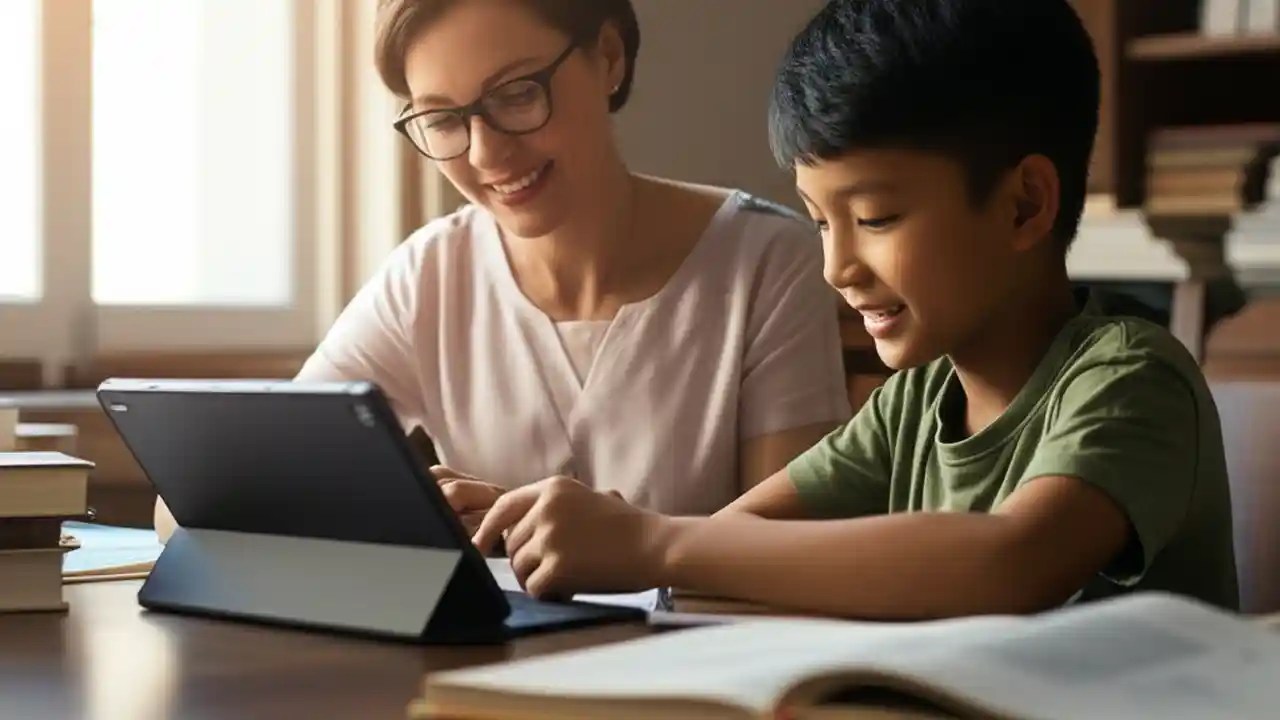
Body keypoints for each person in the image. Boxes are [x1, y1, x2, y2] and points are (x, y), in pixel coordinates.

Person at [470, 0, 1240, 617]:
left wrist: (651, 541)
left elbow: (1008, 563)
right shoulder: (911, 404)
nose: (836, 267)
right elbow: (724, 547)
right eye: (818, 221)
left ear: (1023, 206)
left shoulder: (1131, 379)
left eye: (873, 219)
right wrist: (574, 530)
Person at [153, 0, 850, 541]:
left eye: (517, 95)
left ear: (608, 56)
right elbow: (194, 506)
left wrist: (628, 543)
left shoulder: (765, 263)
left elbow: (786, 552)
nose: (486, 154)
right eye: (443, 118)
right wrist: (406, 516)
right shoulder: (431, 277)